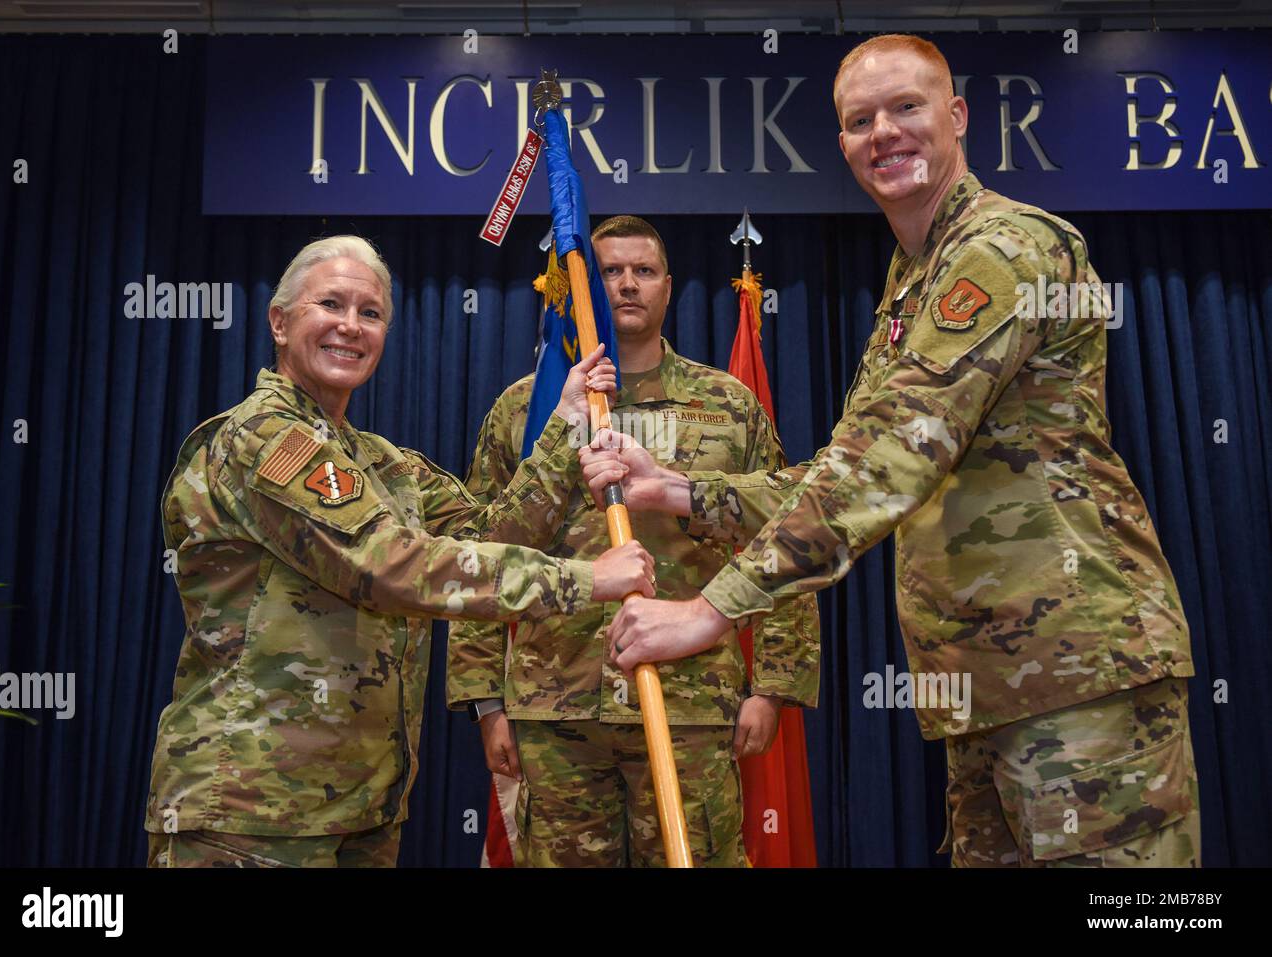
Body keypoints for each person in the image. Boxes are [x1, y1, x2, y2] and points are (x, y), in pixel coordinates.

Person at [583, 36, 1199, 868]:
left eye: (907, 108)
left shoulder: (1005, 247)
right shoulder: (912, 281)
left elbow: (891, 460)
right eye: (860, 119)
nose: (885, 133)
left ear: (957, 116)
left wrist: (709, 610)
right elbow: (850, 464)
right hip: (988, 689)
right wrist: (681, 491)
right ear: (841, 145)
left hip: (1081, 678)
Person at [145, 235, 655, 868]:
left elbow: (487, 536)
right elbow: (391, 567)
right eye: (330, 305)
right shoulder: (262, 438)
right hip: (253, 810)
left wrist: (565, 426)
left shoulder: (382, 463)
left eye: (371, 313)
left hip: (362, 806)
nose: (350, 327)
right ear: (279, 322)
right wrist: (584, 579)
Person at [447, 216, 820, 867]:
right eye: (609, 272)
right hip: (554, 706)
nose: (626, 284)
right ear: (583, 287)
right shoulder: (526, 410)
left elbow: (782, 541)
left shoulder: (727, 406)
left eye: (643, 271)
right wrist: (486, 700)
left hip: (691, 703)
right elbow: (481, 554)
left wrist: (773, 687)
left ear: (668, 287)